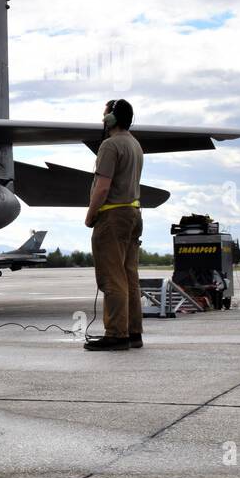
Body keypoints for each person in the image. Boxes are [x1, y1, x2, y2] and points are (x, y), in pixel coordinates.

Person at [84, 98, 144, 351]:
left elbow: (103, 186)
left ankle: (116, 334)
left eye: (104, 114)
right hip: (133, 213)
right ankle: (133, 333)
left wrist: (90, 214)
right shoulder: (135, 144)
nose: (102, 119)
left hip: (113, 217)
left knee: (112, 278)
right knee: (129, 276)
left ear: (111, 119)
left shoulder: (110, 145)